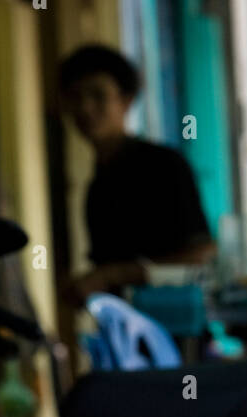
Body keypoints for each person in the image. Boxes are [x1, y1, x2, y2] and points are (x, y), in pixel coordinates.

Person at [58, 45, 216, 306]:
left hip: (173, 325)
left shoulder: (164, 165)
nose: (85, 108)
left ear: (126, 101)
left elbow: (202, 255)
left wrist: (112, 275)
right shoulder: (98, 181)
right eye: (76, 97)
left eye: (98, 96)